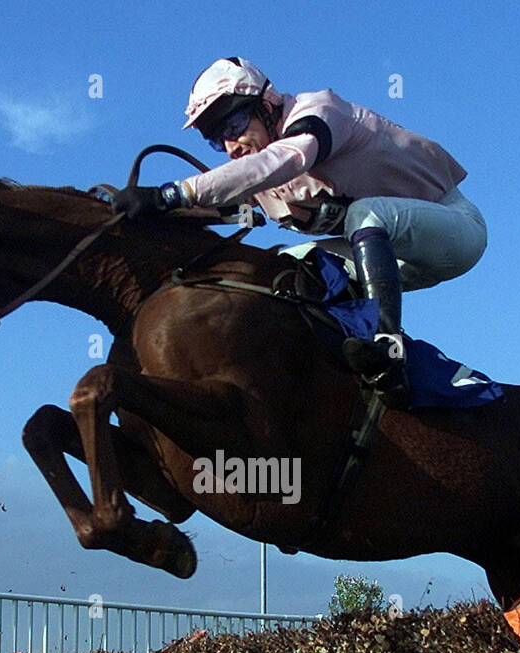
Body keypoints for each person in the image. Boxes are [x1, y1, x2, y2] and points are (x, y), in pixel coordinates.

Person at [111, 57, 487, 403]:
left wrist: (172, 192)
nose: (230, 145)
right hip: (391, 260)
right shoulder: (263, 171)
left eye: (234, 124)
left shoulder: (318, 113)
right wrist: (138, 213)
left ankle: (388, 349)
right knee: (286, 266)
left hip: (455, 229)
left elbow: (285, 161)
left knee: (365, 214)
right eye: (216, 138)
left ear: (267, 104)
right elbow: (218, 206)